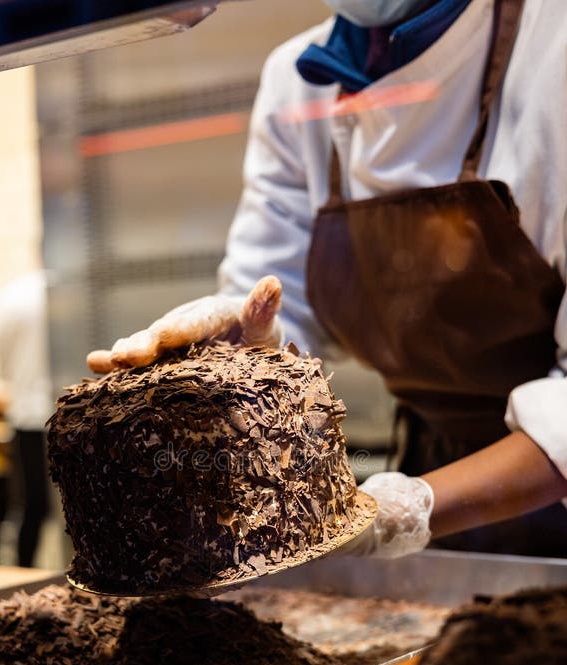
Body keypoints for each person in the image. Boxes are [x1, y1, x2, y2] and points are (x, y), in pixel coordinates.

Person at [88, 0, 567, 558]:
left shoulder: (551, 43)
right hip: (423, 468)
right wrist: (241, 336)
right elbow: (277, 292)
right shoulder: (298, 81)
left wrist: (406, 511)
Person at [0, 270, 54, 567]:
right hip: (75, 417)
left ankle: (22, 578)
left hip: (28, 418)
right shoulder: (72, 288)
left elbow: (3, 369)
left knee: (31, 507)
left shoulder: (11, 296)